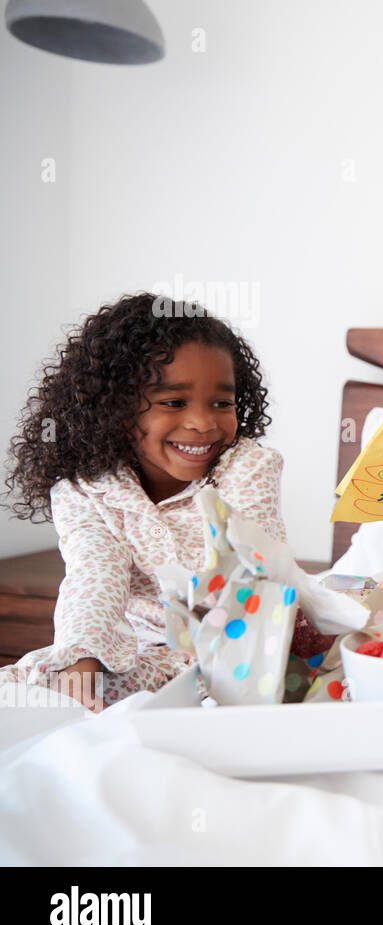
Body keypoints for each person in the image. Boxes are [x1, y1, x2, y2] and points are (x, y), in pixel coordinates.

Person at [1, 293, 285, 711]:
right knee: (28, 681)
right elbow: (93, 578)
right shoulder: (84, 490)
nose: (203, 423)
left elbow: (256, 573)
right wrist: (82, 660)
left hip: (241, 642)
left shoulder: (248, 467)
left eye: (222, 403)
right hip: (134, 651)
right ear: (114, 408)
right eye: (174, 403)